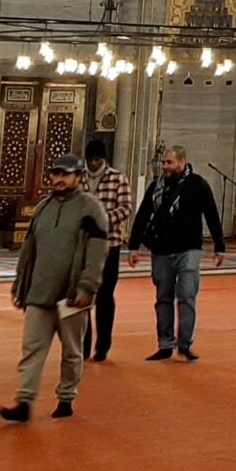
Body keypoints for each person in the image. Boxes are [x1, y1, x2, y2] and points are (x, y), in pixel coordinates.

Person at [0, 155, 108, 423]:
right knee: (32, 349)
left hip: (71, 295)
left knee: (72, 351)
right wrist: (20, 283)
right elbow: (29, 248)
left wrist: (87, 286)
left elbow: (97, 252)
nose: (59, 179)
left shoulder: (91, 208)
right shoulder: (43, 208)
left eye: (66, 174)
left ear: (79, 177)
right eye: (56, 174)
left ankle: (66, 397)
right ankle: (24, 402)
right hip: (38, 291)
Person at [128, 144, 227, 361]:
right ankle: (165, 344)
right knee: (163, 298)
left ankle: (185, 345)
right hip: (161, 250)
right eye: (164, 162)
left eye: (169, 162)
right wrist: (133, 246)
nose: (165, 166)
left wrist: (219, 246)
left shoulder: (198, 185)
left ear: (182, 162)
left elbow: (212, 214)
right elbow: (143, 215)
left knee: (186, 296)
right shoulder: (156, 187)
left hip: (189, 248)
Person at [81, 138, 134, 362]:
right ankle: (82, 347)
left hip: (109, 244)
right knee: (81, 296)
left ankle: (103, 345)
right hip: (82, 245)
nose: (94, 164)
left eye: (98, 160)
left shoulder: (117, 178)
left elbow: (125, 209)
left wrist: (102, 219)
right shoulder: (79, 177)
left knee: (104, 295)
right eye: (91, 160)